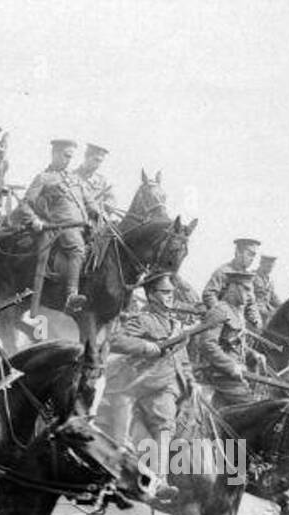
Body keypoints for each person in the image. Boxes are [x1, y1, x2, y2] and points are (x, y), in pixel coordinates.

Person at [105, 271, 194, 443]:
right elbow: (115, 340)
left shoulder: (176, 326)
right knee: (165, 427)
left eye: (171, 292)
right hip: (152, 385)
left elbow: (183, 362)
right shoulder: (143, 320)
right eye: (165, 292)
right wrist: (145, 347)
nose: (170, 296)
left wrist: (190, 382)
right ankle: (158, 470)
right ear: (152, 295)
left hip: (178, 388)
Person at [20, 139, 99, 312]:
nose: (68, 160)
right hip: (63, 227)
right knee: (77, 249)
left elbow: (90, 201)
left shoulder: (75, 178)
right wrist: (34, 220)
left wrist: (97, 212)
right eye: (65, 156)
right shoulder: (43, 178)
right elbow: (25, 204)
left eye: (71, 157)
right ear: (54, 153)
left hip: (85, 226)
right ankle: (71, 296)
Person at [183, 271, 264, 408]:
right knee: (253, 408)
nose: (250, 295)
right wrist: (231, 366)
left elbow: (233, 345)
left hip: (234, 373)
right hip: (219, 374)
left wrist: (252, 354)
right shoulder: (219, 311)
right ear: (233, 287)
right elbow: (207, 344)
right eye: (246, 289)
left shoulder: (236, 312)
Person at [202, 238, 264, 331]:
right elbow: (208, 294)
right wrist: (222, 315)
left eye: (254, 256)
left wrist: (256, 319)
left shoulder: (248, 277)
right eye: (249, 254)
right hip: (220, 326)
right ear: (238, 252)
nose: (252, 259)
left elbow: (251, 303)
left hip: (239, 325)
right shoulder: (223, 271)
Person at [75, 143, 118, 221]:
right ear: (86, 157)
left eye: (100, 162)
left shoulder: (102, 181)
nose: (98, 165)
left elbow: (111, 199)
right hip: (75, 221)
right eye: (96, 160)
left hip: (97, 222)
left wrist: (106, 206)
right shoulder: (72, 176)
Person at [252, 254, 282, 319]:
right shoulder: (252, 277)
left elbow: (273, 296)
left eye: (272, 267)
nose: (270, 269)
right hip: (255, 310)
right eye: (268, 266)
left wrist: (283, 306)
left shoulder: (270, 280)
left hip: (267, 309)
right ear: (261, 264)